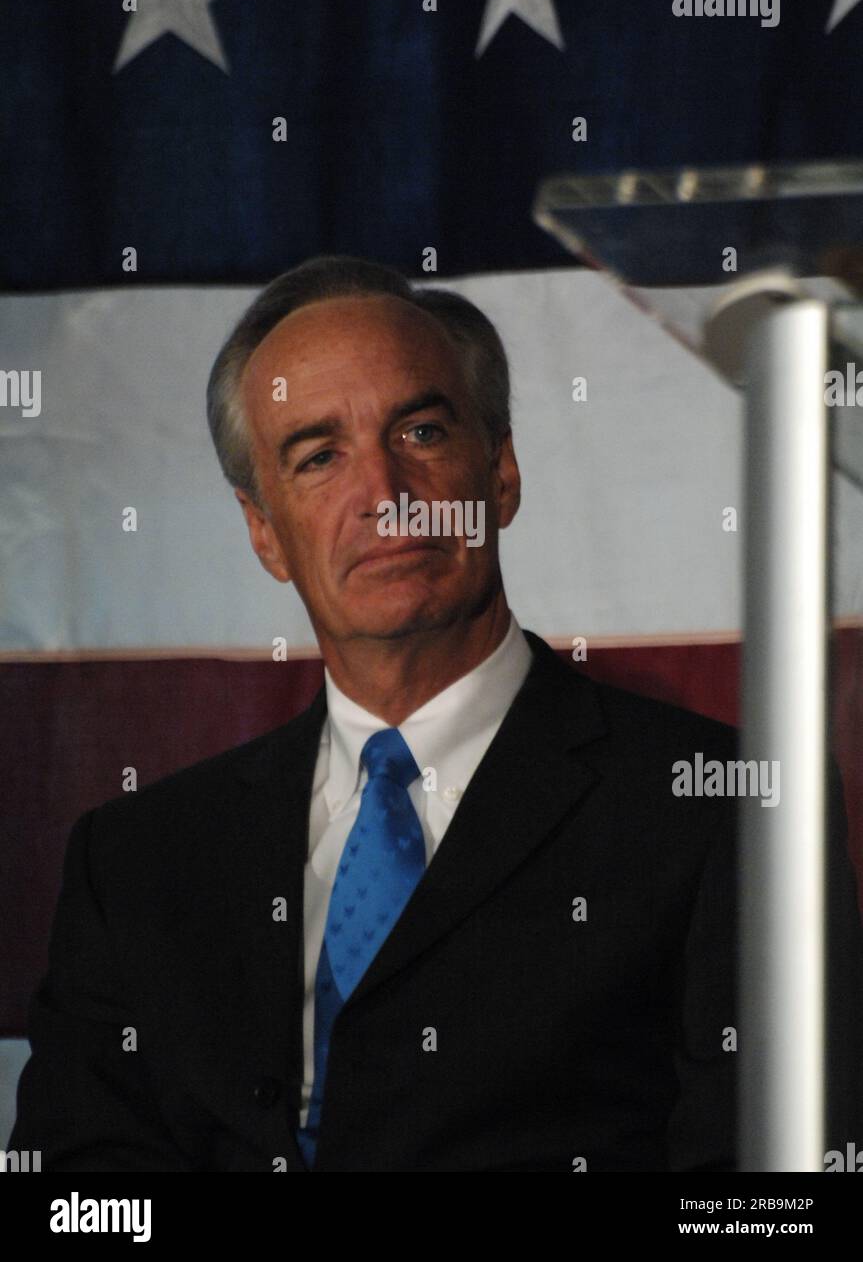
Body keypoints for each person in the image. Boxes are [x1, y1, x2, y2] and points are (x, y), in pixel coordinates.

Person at [8, 255, 863, 1171]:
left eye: (418, 431)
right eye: (318, 455)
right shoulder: (134, 861)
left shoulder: (726, 810)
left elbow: (772, 1205)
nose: (382, 494)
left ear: (499, 475)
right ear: (264, 532)